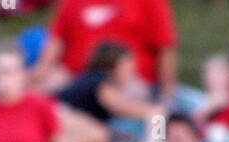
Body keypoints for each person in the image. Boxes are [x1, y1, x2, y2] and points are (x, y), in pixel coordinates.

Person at [31, 0, 178, 102]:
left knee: (112, 96)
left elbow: (165, 48)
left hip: (127, 80)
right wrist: (40, 72)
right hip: (76, 77)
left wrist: (167, 92)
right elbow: (57, 39)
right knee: (33, 91)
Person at [56, 40, 165, 142]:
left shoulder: (90, 79)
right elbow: (125, 108)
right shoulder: (101, 84)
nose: (131, 72)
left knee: (101, 141)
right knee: (157, 114)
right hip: (59, 115)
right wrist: (155, 112)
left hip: (64, 118)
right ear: (114, 66)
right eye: (127, 66)